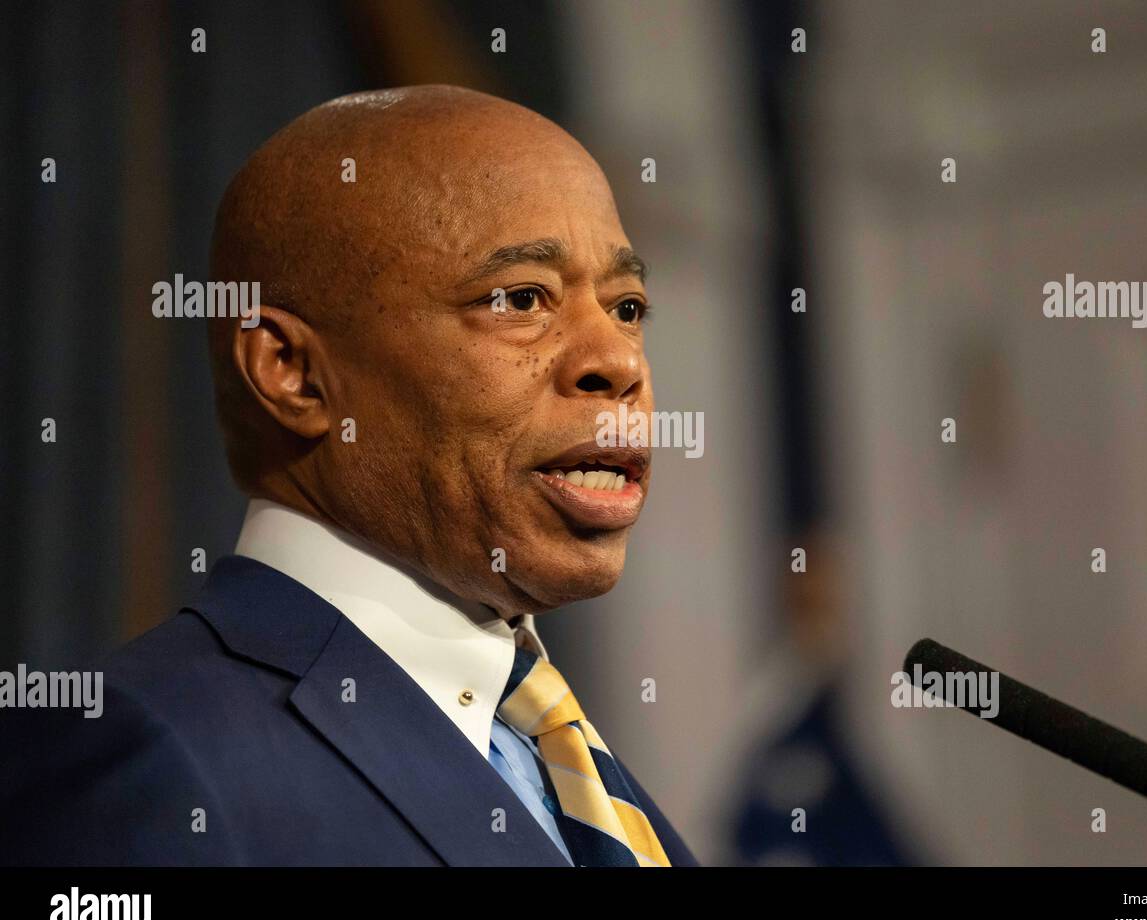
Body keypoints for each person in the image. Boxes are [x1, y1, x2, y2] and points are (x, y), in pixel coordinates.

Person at [0, 86, 696, 867]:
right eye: (521, 298)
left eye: (627, 306)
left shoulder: (583, 780)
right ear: (291, 370)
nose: (619, 361)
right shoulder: (143, 757)